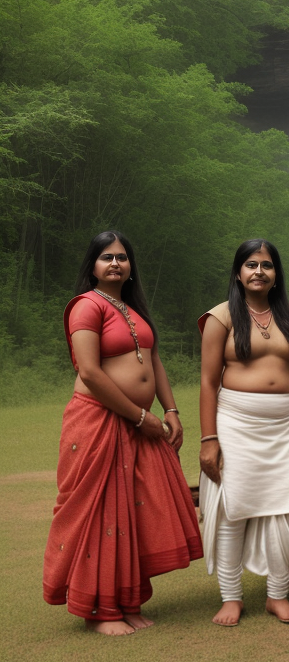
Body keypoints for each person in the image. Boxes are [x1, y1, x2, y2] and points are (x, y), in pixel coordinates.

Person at [43, 231, 202, 637]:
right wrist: (138, 417)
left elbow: (154, 360)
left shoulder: (132, 308)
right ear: (92, 265)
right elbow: (90, 372)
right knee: (102, 514)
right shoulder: (86, 306)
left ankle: (127, 602)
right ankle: (100, 610)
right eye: (106, 257)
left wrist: (170, 410)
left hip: (139, 420)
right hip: (99, 421)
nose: (115, 264)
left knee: (133, 511)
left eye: (122, 257)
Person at [198, 239, 289, 627]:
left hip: (283, 429)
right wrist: (209, 440)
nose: (259, 271)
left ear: (275, 274)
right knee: (234, 509)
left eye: (266, 265)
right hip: (236, 425)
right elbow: (207, 382)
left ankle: (277, 595)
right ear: (238, 272)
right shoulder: (220, 317)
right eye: (251, 265)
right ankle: (231, 597)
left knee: (287, 507)